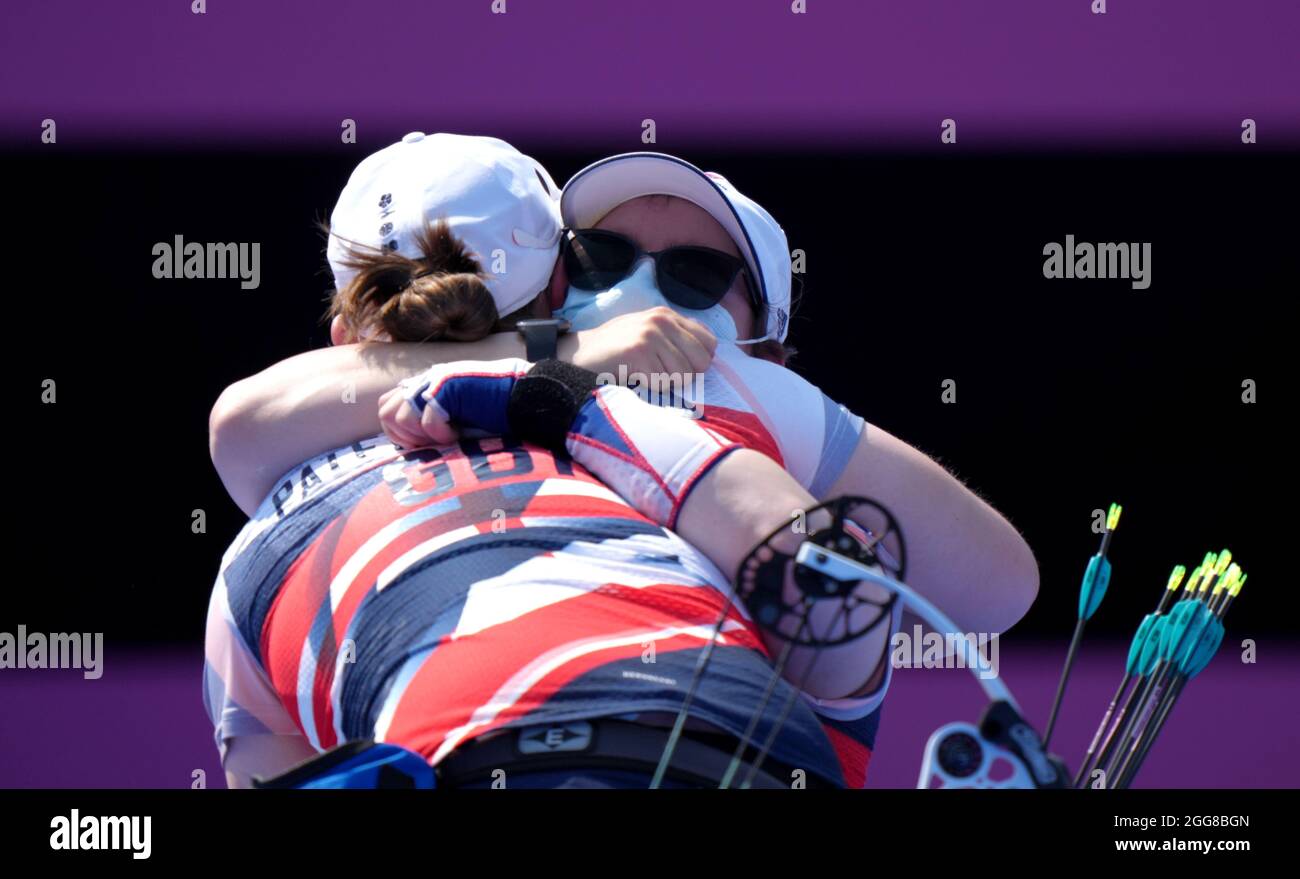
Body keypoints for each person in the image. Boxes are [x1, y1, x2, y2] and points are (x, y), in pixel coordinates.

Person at [205, 134, 1038, 788]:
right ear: (555, 280)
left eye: (695, 273)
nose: (640, 285)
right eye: (604, 256)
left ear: (772, 347)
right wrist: (566, 355)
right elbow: (245, 423)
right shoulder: (535, 376)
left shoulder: (736, 386)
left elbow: (997, 587)